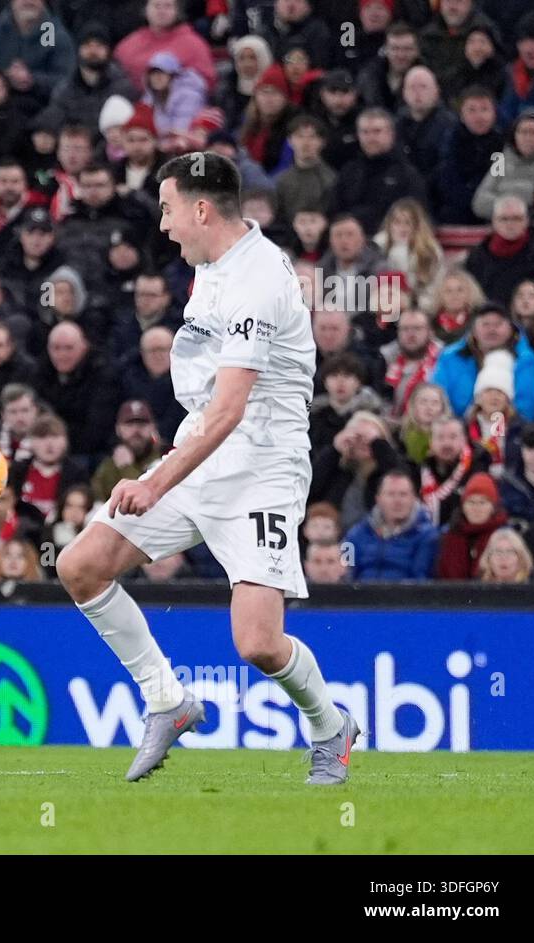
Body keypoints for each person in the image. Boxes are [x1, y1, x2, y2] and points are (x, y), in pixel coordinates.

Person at [56, 152, 360, 785]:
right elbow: (209, 414)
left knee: (257, 643)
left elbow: (230, 412)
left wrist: (152, 480)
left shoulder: (256, 279)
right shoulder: (212, 265)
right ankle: (167, 701)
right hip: (201, 449)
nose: (163, 225)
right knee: (79, 565)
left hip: (261, 467)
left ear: (200, 209)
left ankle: (331, 725)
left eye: (167, 209)